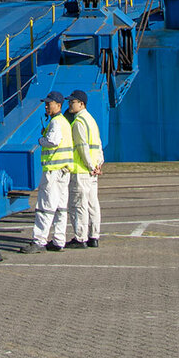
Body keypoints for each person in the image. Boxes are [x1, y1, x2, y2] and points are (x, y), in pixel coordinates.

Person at [21, 91, 73, 252]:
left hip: (53, 171)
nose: (46, 106)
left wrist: (41, 140)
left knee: (45, 206)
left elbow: (52, 141)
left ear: (58, 105)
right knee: (60, 207)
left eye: (49, 104)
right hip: (64, 171)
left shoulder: (56, 123)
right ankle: (58, 240)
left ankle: (39, 241)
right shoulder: (64, 122)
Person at [66, 90, 104, 248]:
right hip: (93, 170)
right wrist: (98, 165)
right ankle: (94, 236)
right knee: (92, 203)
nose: (70, 105)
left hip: (82, 170)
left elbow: (82, 147)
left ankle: (80, 238)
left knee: (78, 204)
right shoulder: (91, 120)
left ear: (81, 104)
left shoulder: (79, 122)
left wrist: (89, 165)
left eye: (72, 102)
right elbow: (98, 144)